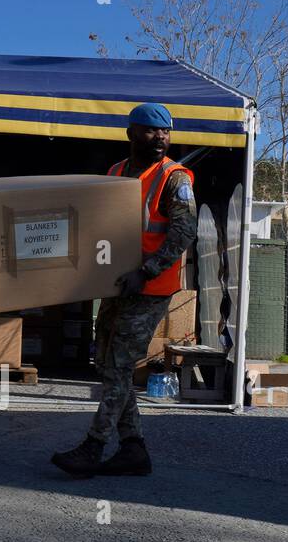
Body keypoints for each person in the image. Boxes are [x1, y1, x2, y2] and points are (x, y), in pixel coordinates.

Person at [51, 102, 198, 478]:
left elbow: (182, 234)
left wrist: (146, 271)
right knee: (105, 363)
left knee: (118, 364)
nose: (161, 137)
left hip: (151, 288)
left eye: (165, 131)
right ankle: (134, 448)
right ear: (131, 133)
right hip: (117, 285)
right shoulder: (116, 172)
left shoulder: (175, 178)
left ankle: (94, 446)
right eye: (151, 130)